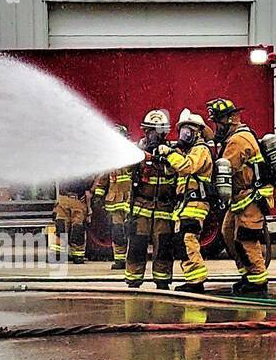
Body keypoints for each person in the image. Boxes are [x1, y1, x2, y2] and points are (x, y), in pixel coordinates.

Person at [206, 98, 273, 293]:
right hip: (240, 198)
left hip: (251, 196)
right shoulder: (234, 137)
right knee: (228, 232)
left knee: (246, 237)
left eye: (217, 122)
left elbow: (226, 166)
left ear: (229, 119)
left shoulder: (238, 140)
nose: (216, 127)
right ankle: (247, 274)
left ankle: (258, 281)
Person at [160, 110, 213, 294]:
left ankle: (196, 282)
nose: (183, 136)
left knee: (188, 240)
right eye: (181, 132)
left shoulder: (201, 150)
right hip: (184, 205)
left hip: (195, 204)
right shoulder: (188, 152)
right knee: (181, 242)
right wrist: (166, 158)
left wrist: (169, 153)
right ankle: (192, 279)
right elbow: (173, 172)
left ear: (197, 132)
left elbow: (187, 167)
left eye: (187, 132)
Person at [124, 109, 176, 289]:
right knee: (137, 245)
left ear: (166, 132)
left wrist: (167, 159)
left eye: (159, 131)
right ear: (144, 131)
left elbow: (177, 173)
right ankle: (133, 280)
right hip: (141, 207)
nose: (154, 135)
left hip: (164, 207)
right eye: (150, 130)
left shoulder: (172, 152)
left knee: (164, 247)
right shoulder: (136, 151)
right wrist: (140, 158)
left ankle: (162, 281)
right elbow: (125, 168)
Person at [91, 126, 132, 270]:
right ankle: (119, 260)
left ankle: (131, 260)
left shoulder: (133, 156)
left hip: (131, 202)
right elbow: (103, 180)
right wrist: (97, 196)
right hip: (114, 203)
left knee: (131, 231)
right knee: (117, 232)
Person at [53, 176, 90, 264]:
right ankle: (58, 255)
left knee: (78, 228)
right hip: (63, 199)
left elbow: (91, 182)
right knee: (61, 226)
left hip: (78, 200)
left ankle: (78, 255)